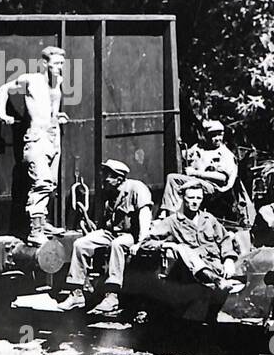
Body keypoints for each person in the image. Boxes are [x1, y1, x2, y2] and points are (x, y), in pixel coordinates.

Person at [0, 46, 70, 245]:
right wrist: (3, 114)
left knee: (51, 183)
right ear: (44, 63)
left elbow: (52, 108)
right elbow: (4, 89)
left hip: (53, 138)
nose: (59, 68)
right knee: (42, 182)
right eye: (56, 64)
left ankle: (42, 221)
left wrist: (58, 116)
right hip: (36, 138)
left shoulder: (58, 82)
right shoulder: (31, 80)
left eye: (62, 64)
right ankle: (35, 230)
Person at [60, 159, 152, 314]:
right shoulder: (108, 192)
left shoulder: (137, 189)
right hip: (111, 233)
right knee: (81, 244)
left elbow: (145, 216)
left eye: (107, 176)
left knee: (117, 244)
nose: (104, 179)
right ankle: (76, 293)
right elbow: (105, 222)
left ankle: (112, 295)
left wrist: (141, 242)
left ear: (119, 178)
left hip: (131, 235)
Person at [146, 180, 240, 293]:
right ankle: (216, 280)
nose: (195, 202)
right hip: (193, 274)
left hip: (218, 267)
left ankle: (220, 280)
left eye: (198, 198)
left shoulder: (208, 219)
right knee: (182, 248)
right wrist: (167, 245)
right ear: (182, 198)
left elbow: (225, 240)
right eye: (191, 198)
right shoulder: (172, 222)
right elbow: (146, 242)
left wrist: (228, 260)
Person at [160, 119, 239, 216]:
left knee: (176, 180)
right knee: (173, 179)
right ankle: (170, 213)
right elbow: (186, 155)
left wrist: (195, 173)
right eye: (214, 135)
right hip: (196, 181)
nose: (218, 138)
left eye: (220, 135)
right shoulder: (199, 148)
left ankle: (169, 214)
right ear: (207, 135)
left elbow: (223, 178)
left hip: (213, 187)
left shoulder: (224, 154)